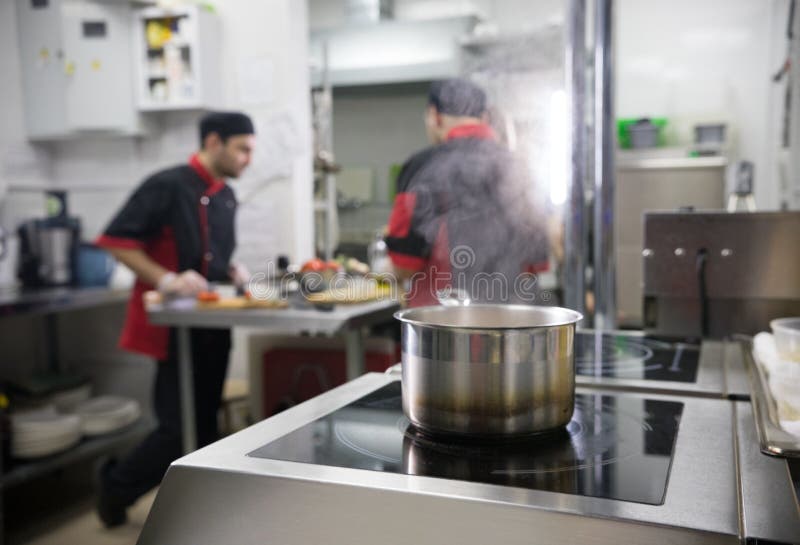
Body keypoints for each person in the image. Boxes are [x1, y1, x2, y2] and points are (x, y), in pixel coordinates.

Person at [93, 111, 255, 527]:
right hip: (172, 329)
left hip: (211, 325)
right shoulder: (167, 184)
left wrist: (229, 271)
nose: (248, 158)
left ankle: (194, 513)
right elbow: (116, 242)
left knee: (203, 425)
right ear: (214, 141)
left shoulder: (226, 195)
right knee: (175, 429)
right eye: (242, 148)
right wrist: (165, 278)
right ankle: (113, 486)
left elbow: (210, 259)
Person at [385, 79, 549, 307]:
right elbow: (536, 264)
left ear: (434, 116)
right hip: (514, 322)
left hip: (444, 324)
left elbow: (404, 264)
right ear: (485, 118)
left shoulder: (420, 168)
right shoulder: (520, 168)